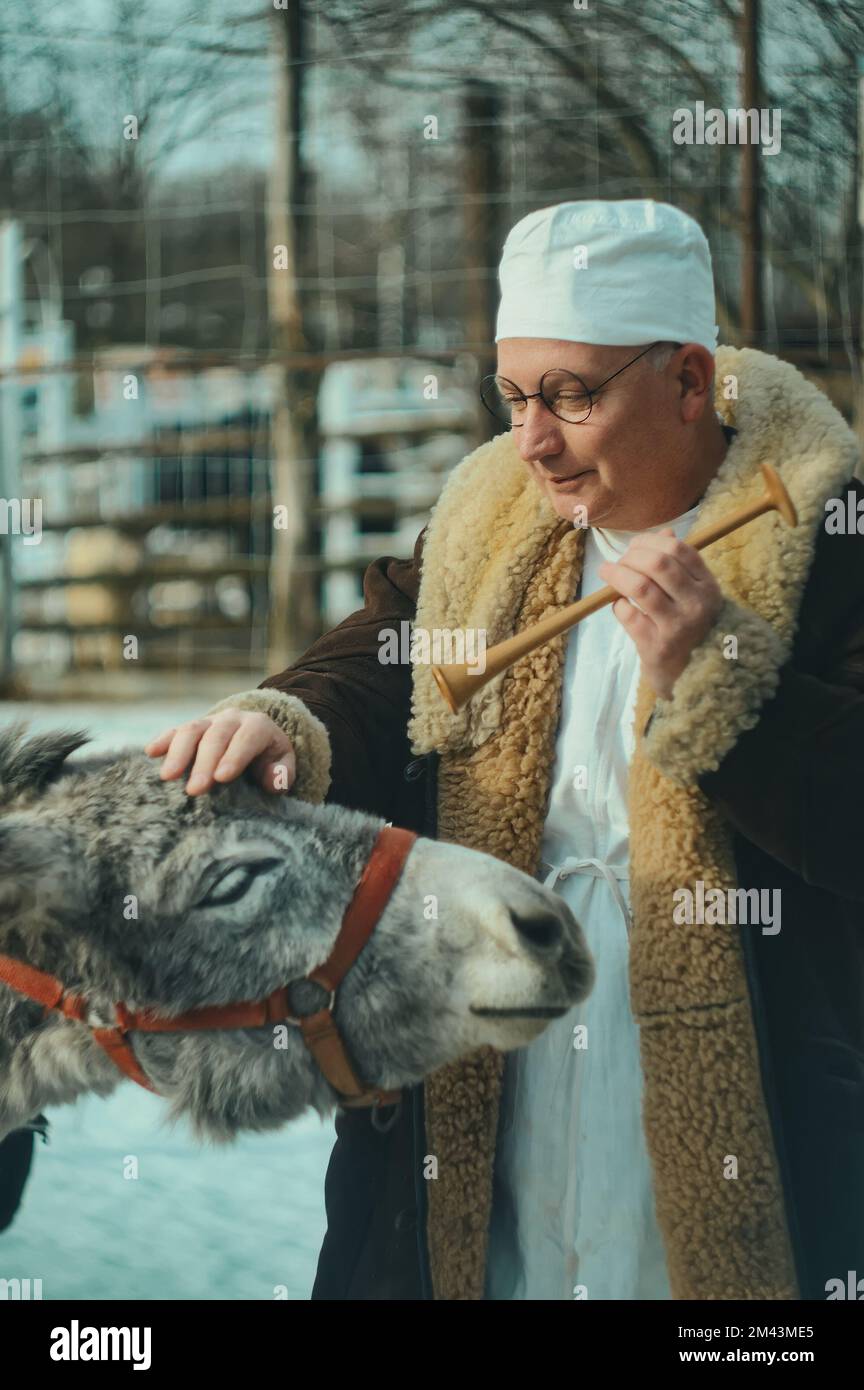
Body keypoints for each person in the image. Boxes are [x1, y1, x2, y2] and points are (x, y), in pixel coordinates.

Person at [146, 199, 864, 1301]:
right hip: (497, 1080)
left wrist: (724, 680)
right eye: (515, 394)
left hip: (755, 1121)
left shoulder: (829, 547)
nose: (531, 438)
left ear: (686, 380)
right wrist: (284, 722)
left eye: (572, 395)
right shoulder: (490, 529)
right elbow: (383, 669)